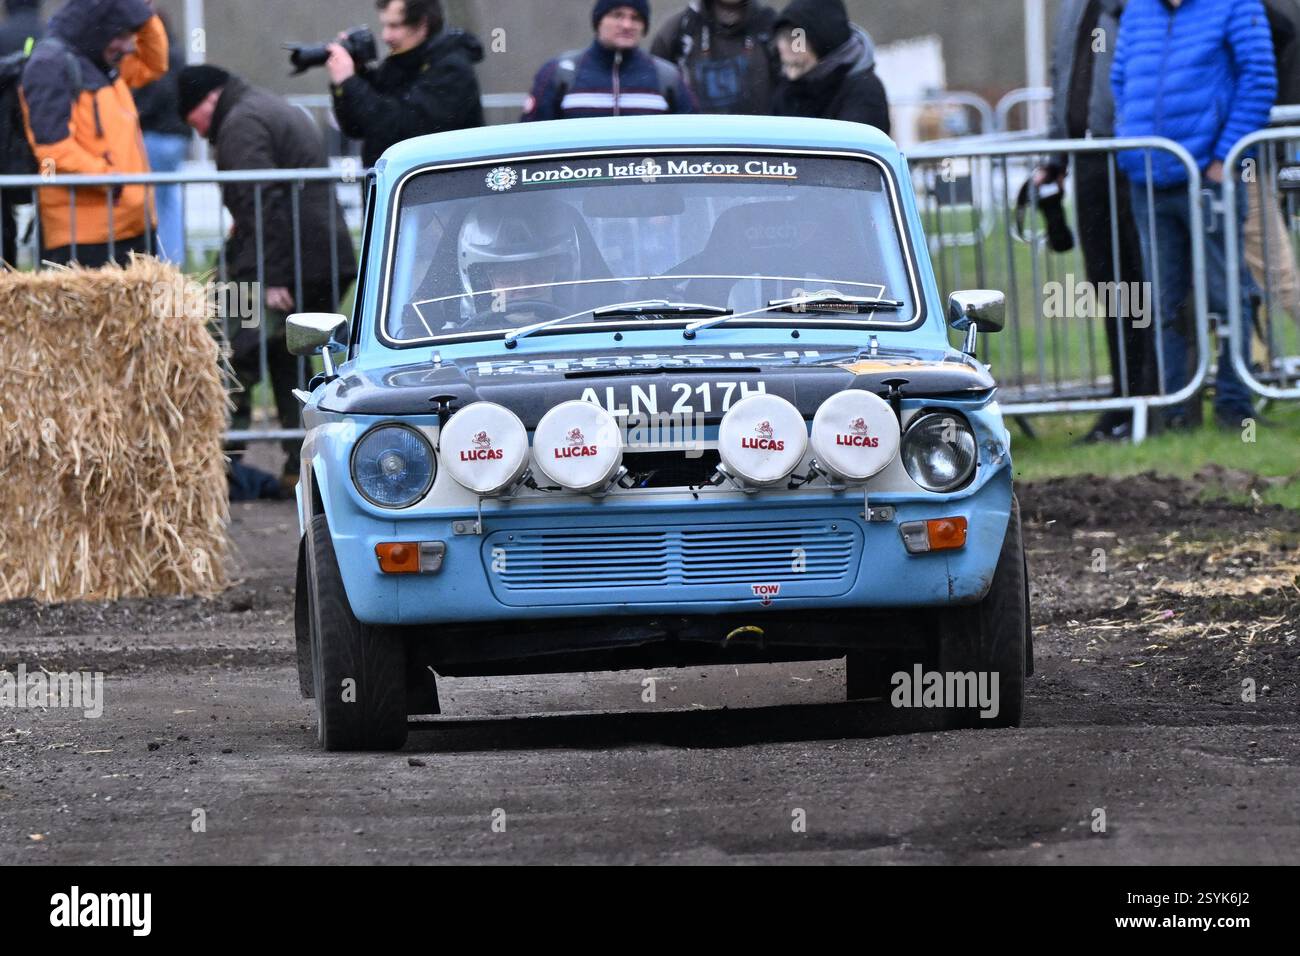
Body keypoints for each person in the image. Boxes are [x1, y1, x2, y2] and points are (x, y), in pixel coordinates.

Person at [178, 64, 358, 489]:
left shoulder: (241, 123)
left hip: (286, 265)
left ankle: (218, 469)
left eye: (194, 122)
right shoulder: (265, 106)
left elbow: (262, 203)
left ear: (207, 100)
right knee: (286, 358)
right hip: (319, 257)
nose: (200, 134)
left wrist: (272, 278)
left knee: (236, 350)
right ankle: (303, 469)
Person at [1112, 0, 1278, 430]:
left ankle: (1233, 405)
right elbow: (1120, 79)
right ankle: (1176, 414)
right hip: (1148, 176)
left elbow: (1259, 79)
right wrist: (1128, 142)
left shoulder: (1237, 5)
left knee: (1227, 295)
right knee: (1163, 300)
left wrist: (1224, 157)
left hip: (1208, 174)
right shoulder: (1138, 10)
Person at [1037, 0, 1156, 442]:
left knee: (1147, 284)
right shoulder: (1072, 9)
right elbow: (1061, 78)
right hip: (1089, 160)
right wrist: (1054, 158)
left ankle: (1155, 400)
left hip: (1134, 153)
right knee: (1110, 287)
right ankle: (1123, 399)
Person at [19, 0, 166, 267]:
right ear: (98, 29)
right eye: (120, 35)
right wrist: (112, 180)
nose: (129, 46)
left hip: (128, 225)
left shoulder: (101, 59)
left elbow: (155, 63)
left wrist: (141, 13)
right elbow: (53, 152)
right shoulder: (50, 66)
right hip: (86, 237)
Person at [328, 0, 483, 169]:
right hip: (395, 186)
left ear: (422, 24)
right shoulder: (399, 63)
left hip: (435, 185)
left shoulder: (451, 68)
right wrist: (354, 75)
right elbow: (356, 126)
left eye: (394, 26)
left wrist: (350, 83)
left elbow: (399, 127)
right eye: (385, 25)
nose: (385, 36)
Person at [523, 0, 697, 121]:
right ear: (598, 22)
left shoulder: (667, 76)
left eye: (635, 18)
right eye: (617, 15)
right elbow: (531, 136)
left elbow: (691, 135)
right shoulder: (559, 72)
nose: (627, 25)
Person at [770, 0, 889, 133]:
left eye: (796, 39)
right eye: (782, 37)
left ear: (822, 40)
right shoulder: (789, 89)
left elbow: (851, 148)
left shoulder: (864, 91)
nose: (784, 47)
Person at [650, 0, 779, 114]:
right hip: (694, 137)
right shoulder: (681, 30)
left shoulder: (771, 26)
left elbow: (792, 92)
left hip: (760, 137)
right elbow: (653, 95)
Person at [132, 10, 187, 264]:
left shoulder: (159, 59)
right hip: (176, 136)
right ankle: (173, 255)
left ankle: (162, 257)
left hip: (157, 134)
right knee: (169, 199)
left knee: (156, 201)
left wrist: (138, 113)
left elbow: (160, 94)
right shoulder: (179, 56)